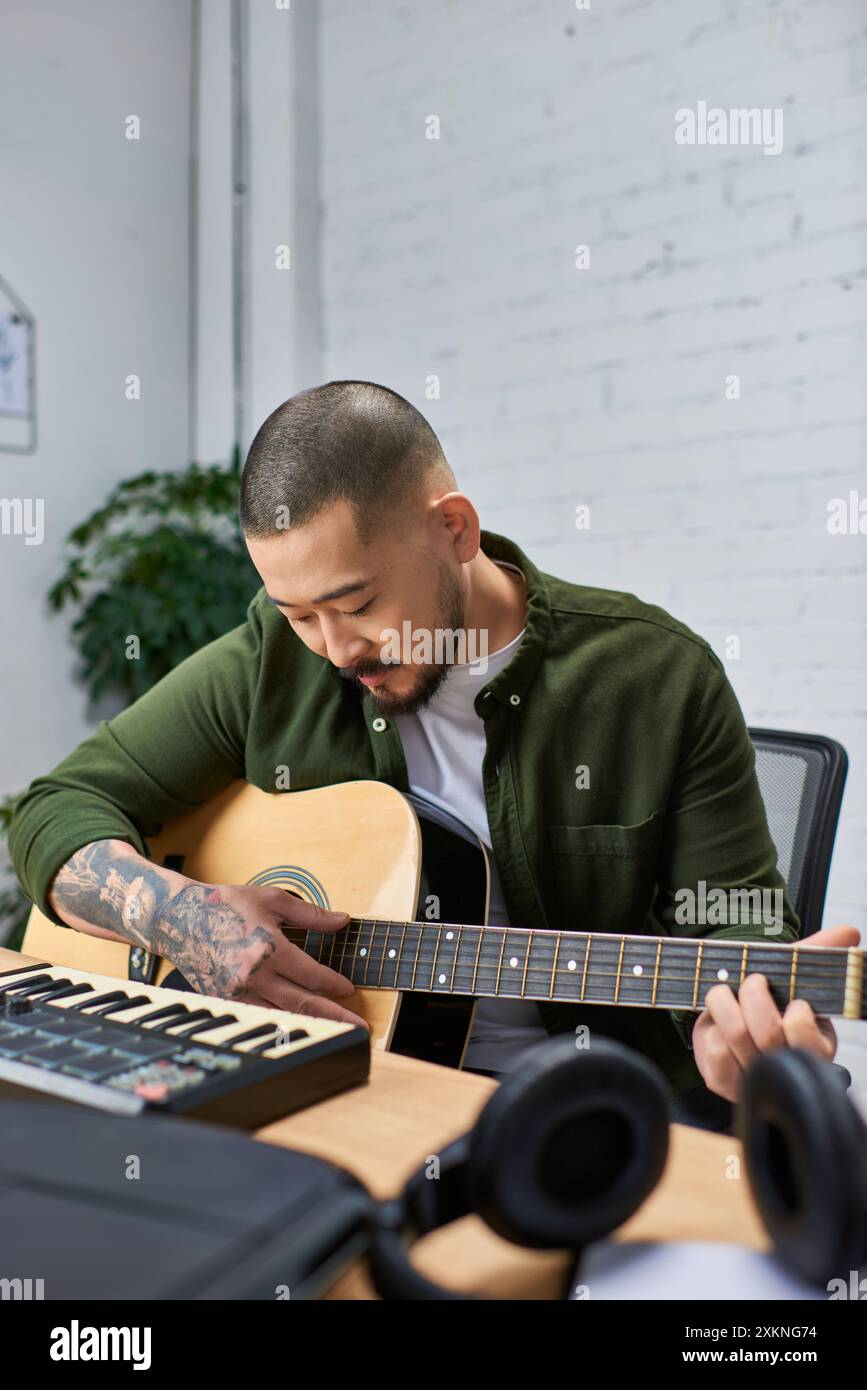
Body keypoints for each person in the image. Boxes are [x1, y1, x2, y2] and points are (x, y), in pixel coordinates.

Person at [9, 381, 855, 1133]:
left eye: (356, 603)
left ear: (453, 528)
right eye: (298, 612)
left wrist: (733, 1030)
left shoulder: (656, 676)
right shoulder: (275, 657)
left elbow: (737, 923)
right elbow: (56, 805)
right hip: (333, 1101)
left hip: (582, 1122)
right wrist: (178, 915)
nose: (334, 650)